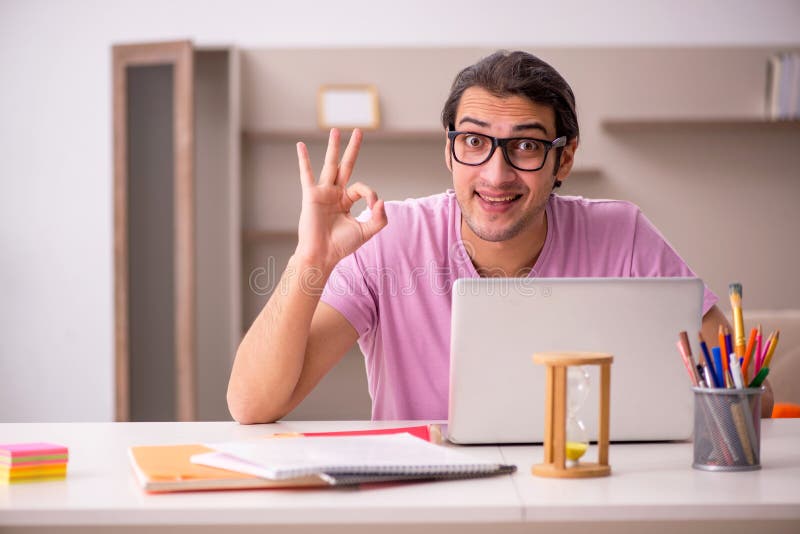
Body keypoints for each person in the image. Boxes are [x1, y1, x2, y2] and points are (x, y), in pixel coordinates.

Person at [227, 50, 772, 424]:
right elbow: (251, 406)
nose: (496, 174)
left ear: (565, 158)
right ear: (449, 151)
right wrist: (310, 259)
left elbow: (752, 397)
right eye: (474, 141)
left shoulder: (621, 234)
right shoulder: (389, 239)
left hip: (581, 492)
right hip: (423, 500)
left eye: (526, 146)